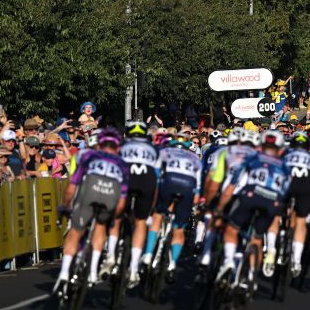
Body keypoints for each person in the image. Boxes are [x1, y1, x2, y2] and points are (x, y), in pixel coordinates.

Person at [54, 128, 129, 293]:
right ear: (117, 147)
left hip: (89, 193)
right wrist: (115, 217)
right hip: (110, 197)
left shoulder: (88, 156)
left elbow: (72, 187)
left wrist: (65, 206)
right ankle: (93, 271)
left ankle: (65, 272)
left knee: (75, 231)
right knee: (101, 226)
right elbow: (122, 200)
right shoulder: (122, 164)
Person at [216, 130, 291, 291]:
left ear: (260, 146)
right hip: (273, 202)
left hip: (251, 196)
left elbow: (232, 186)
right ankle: (251, 278)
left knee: (232, 229)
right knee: (257, 240)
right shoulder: (285, 167)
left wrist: (220, 209)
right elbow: (286, 194)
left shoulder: (252, 158)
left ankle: (229, 260)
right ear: (280, 149)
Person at [143, 134, 201, 279]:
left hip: (169, 183)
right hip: (187, 187)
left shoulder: (164, 152)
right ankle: (172, 264)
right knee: (179, 228)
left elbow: (156, 176)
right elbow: (198, 186)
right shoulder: (194, 158)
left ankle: (148, 255)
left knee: (157, 215)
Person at [116, 122, 160, 287]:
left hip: (126, 179)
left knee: (117, 215)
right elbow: (157, 178)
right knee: (141, 222)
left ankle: (110, 253)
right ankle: (134, 268)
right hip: (146, 181)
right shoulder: (153, 149)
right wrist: (153, 206)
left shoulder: (122, 145)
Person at [281, 130, 310, 278]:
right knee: (301, 221)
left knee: (281, 214)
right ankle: (296, 260)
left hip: (288, 185)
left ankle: (279, 239)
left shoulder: (285, 153)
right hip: (305, 187)